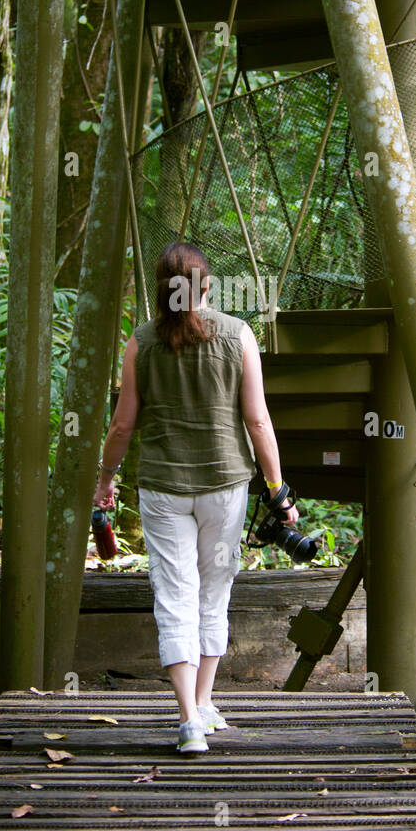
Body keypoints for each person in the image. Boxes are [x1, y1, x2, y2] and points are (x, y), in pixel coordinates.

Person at [92, 242, 300, 754]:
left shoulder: (141, 342)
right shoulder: (238, 335)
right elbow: (257, 421)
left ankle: (190, 717)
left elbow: (122, 424)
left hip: (162, 489)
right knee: (213, 594)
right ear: (206, 286)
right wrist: (278, 493)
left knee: (174, 595)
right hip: (225, 488)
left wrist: (105, 478)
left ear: (161, 290)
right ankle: (203, 704)